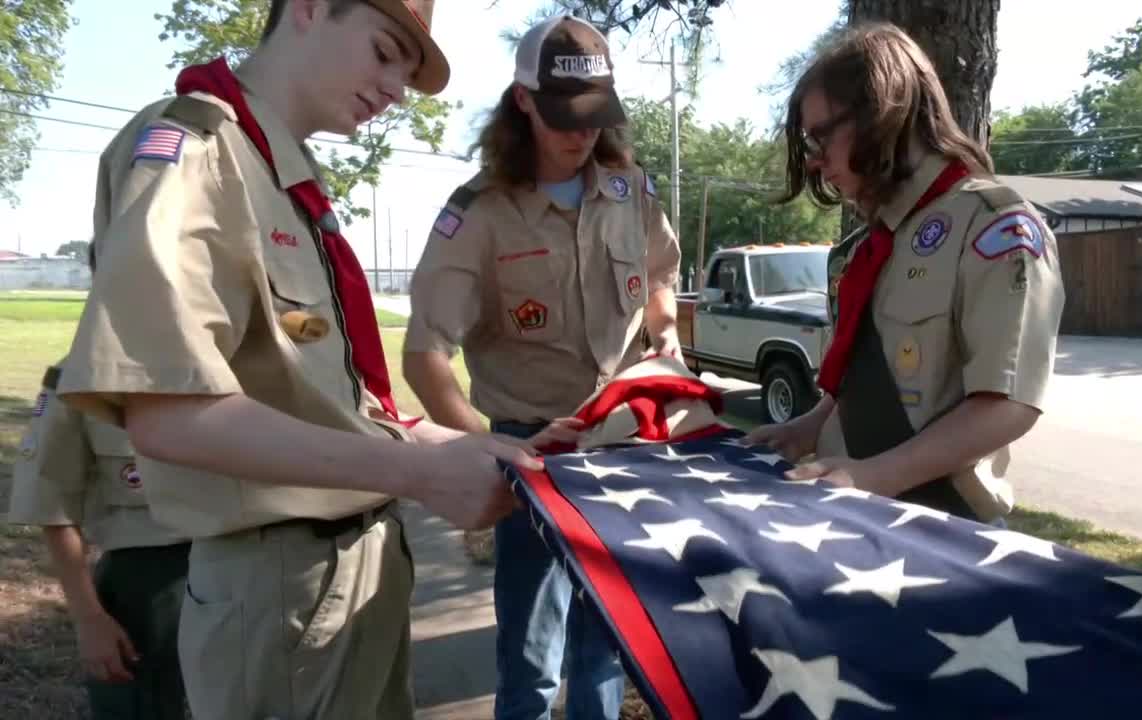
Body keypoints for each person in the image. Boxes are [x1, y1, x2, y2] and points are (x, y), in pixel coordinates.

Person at [52, 1, 544, 718]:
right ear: (309, 8)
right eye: (383, 52)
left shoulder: (283, 174)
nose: (393, 90)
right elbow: (167, 414)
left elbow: (339, 407)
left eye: (405, 73)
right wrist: (418, 472)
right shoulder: (196, 150)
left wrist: (483, 449)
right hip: (278, 585)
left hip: (353, 568)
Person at [401, 15, 682, 719]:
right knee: (530, 651)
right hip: (531, 448)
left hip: (621, 442)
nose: (581, 132)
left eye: (594, 115)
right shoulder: (479, 215)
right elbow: (424, 356)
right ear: (522, 100)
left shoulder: (628, 190)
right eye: (563, 115)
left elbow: (660, 275)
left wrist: (666, 335)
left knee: (608, 642)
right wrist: (491, 445)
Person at [747, 21, 1066, 524]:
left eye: (821, 138)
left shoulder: (995, 227)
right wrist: (810, 427)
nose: (815, 162)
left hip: (941, 528)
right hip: (853, 510)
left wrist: (874, 477)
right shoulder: (865, 250)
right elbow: (862, 375)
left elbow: (1008, 405)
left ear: (880, 113)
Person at [7, 363, 190, 719]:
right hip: (147, 586)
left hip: (253, 568)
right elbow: (55, 509)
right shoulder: (78, 376)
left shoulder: (242, 357)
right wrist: (89, 619)